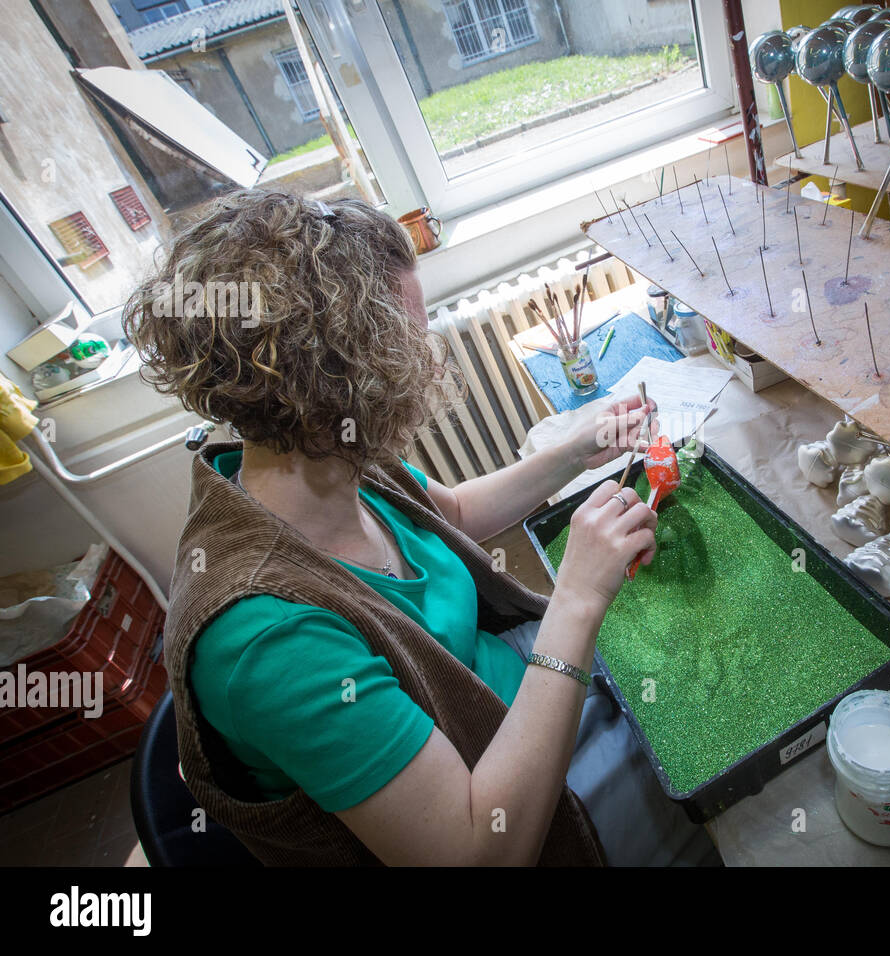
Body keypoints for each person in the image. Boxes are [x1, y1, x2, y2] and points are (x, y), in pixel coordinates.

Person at [125, 191, 715, 866]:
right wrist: (577, 600)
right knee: (718, 803)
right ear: (333, 382)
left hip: (503, 687)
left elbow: (452, 513)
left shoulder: (323, 453)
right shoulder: (270, 639)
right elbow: (477, 851)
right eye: (410, 342)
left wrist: (577, 450)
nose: (430, 363)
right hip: (504, 804)